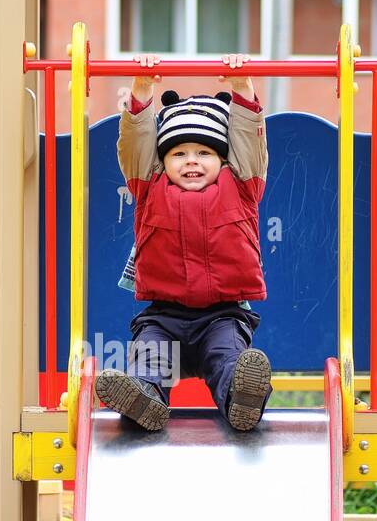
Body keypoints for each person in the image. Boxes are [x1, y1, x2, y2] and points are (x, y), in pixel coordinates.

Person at [95, 52, 273, 432]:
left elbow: (247, 141)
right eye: (179, 154)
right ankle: (146, 400)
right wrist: (142, 92)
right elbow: (136, 145)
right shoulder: (149, 186)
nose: (191, 161)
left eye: (204, 153)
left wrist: (242, 89)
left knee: (229, 361)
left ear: (223, 160)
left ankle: (240, 402)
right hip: (164, 316)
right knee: (149, 357)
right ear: (164, 160)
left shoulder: (242, 184)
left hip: (223, 316)